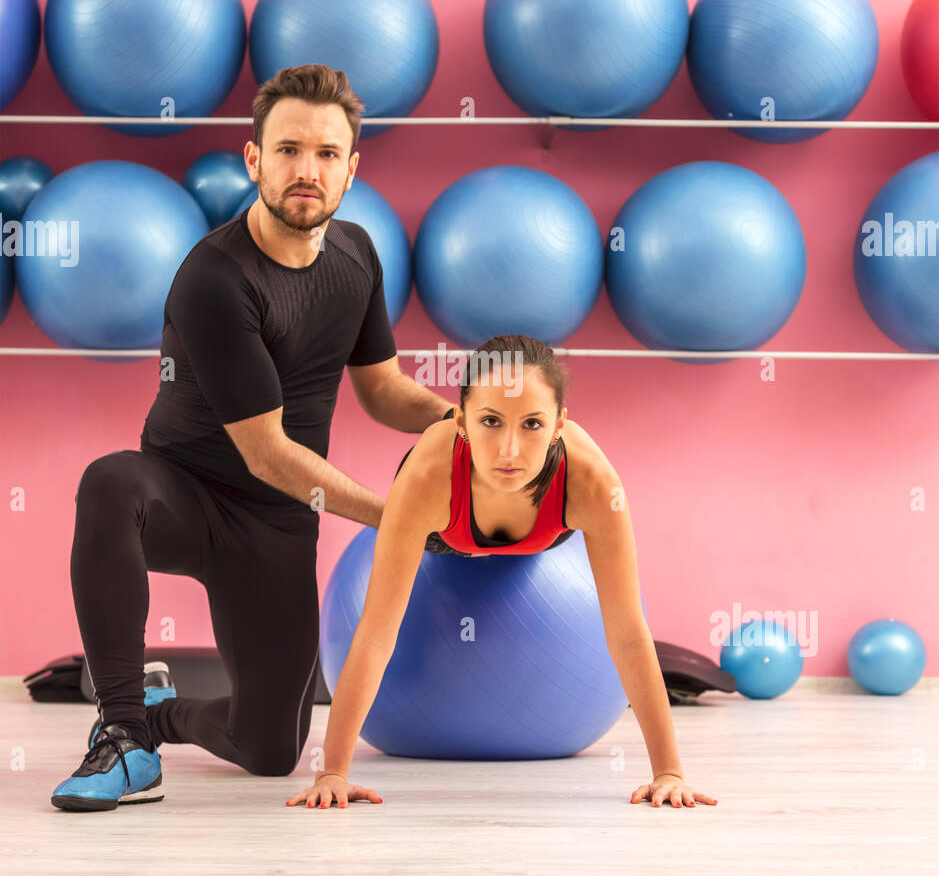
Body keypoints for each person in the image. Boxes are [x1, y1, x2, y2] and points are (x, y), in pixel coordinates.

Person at [52, 63, 452, 811]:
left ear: (351, 168)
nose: (308, 170)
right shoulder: (214, 276)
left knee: (270, 751)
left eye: (327, 154)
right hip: (185, 494)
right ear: (254, 159)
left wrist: (463, 423)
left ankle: (160, 714)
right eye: (290, 150)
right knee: (109, 482)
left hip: (276, 524)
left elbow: (381, 389)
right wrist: (397, 519)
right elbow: (265, 451)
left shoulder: (358, 258)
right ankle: (124, 736)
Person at [286, 334, 718, 814]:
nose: (510, 449)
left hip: (545, 532)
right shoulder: (428, 480)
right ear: (462, 422)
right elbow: (375, 635)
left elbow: (628, 634)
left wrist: (669, 773)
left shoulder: (592, 483)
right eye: (490, 421)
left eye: (532, 424)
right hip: (446, 534)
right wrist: (332, 774)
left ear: (559, 426)